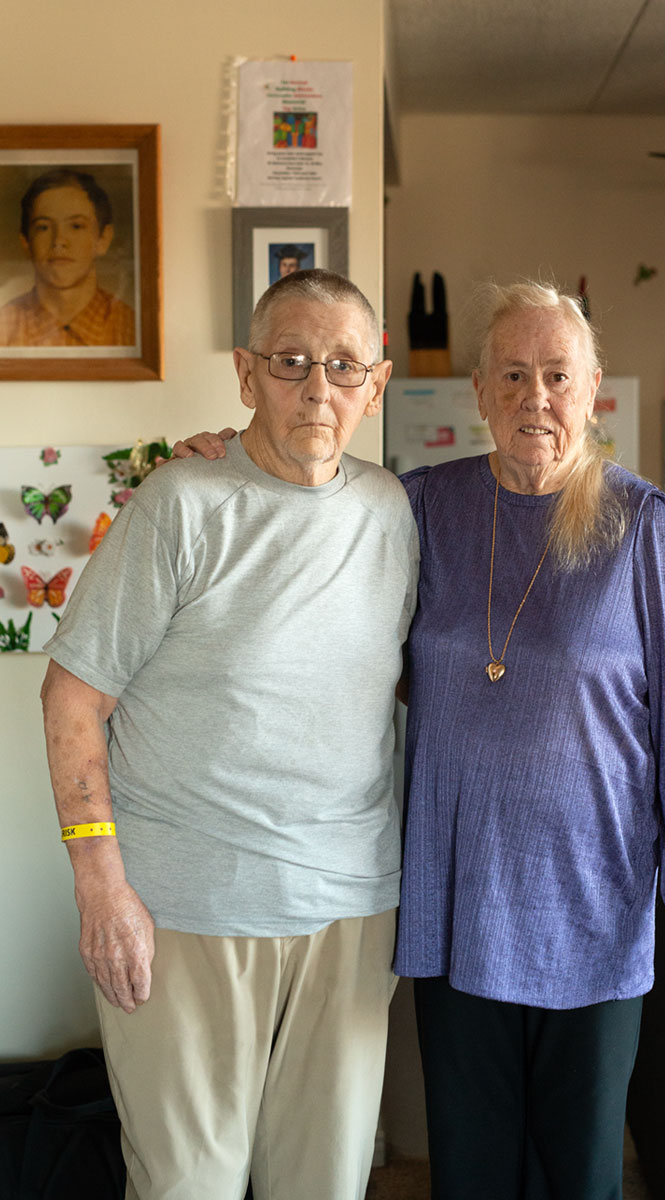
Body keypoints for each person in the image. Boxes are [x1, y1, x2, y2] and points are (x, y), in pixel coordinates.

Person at [178, 278, 665, 1200]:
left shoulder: (643, 527)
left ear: (592, 390)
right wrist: (218, 462)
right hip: (460, 898)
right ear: (478, 391)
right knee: (470, 1171)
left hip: (592, 907)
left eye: (557, 375)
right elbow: (306, 515)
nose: (534, 397)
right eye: (511, 374)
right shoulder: (420, 506)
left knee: (580, 1176)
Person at [40, 268, 419, 1200]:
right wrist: (101, 887)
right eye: (292, 362)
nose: (318, 388)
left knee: (325, 1183)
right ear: (247, 375)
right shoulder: (179, 502)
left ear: (376, 385)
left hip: (352, 908)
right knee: (187, 1185)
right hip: (188, 909)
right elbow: (72, 699)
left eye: (343, 365)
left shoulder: (394, 511)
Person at [0, 167, 135, 347]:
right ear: (26, 242)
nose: (59, 241)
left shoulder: (131, 329)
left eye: (76, 226)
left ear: (103, 239)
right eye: (43, 227)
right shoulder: (4, 326)